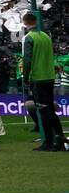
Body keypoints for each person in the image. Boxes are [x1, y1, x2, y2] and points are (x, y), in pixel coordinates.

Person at [21, 12, 66, 152]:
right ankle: (59, 138)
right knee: (50, 110)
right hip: (49, 77)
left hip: (38, 77)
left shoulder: (29, 38)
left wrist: (26, 76)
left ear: (25, 23)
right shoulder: (46, 36)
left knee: (44, 110)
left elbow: (27, 59)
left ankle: (48, 142)